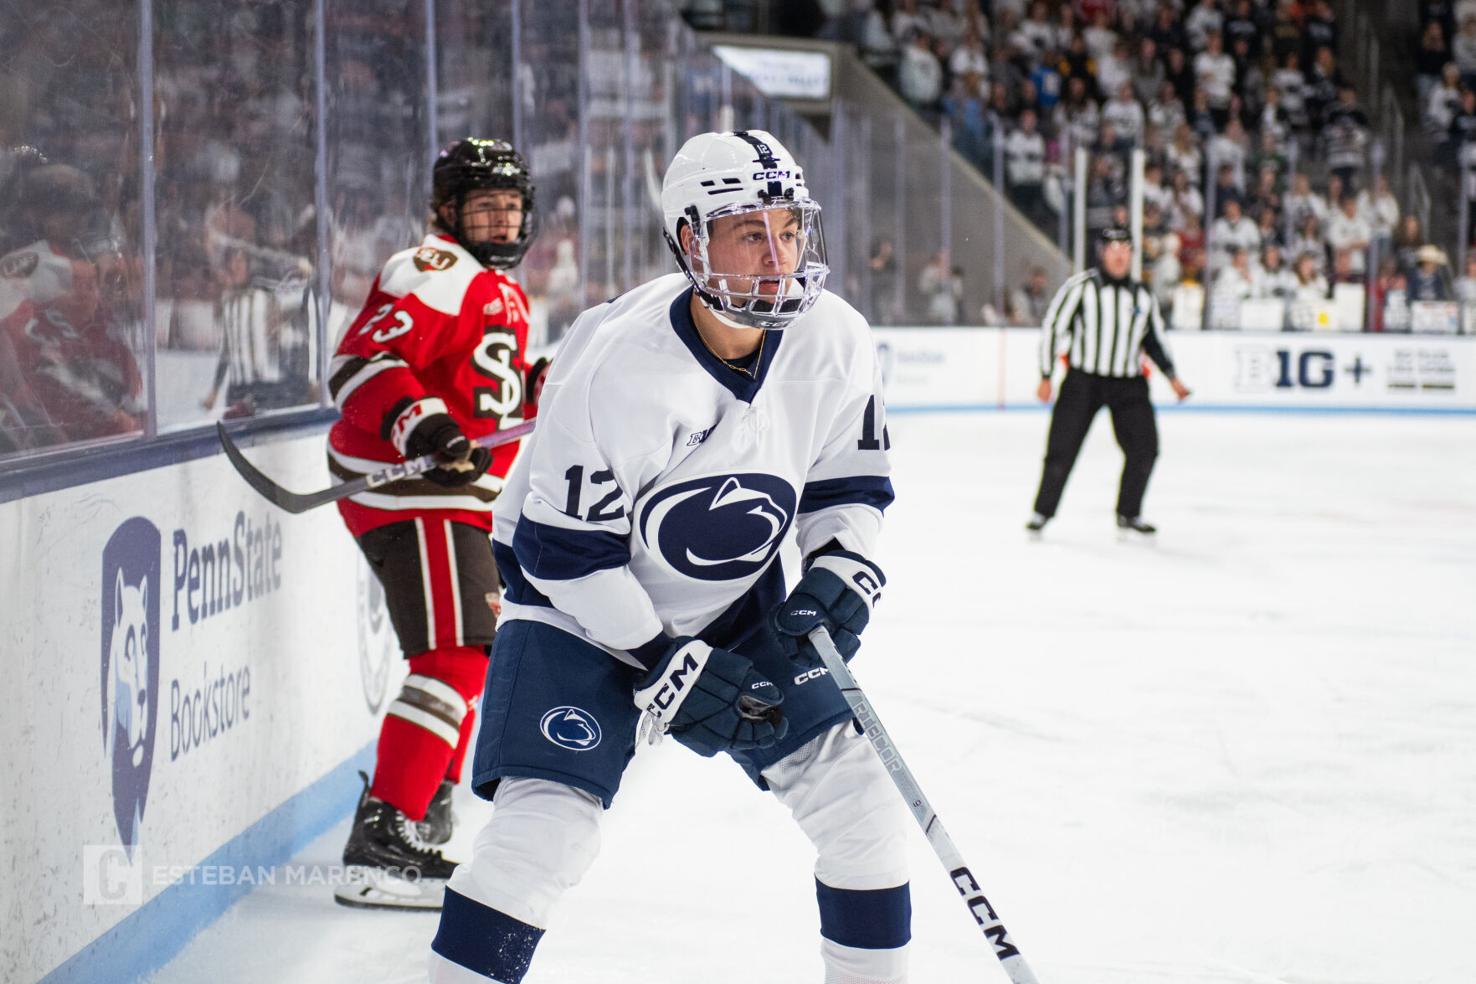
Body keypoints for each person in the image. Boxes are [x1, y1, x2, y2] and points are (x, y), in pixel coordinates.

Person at [427, 129, 910, 983]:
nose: (779, 258)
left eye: (789, 230)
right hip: (578, 613)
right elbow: (564, 553)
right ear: (692, 240)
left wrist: (842, 565)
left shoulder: (834, 337)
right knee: (544, 837)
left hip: (736, 601)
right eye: (750, 234)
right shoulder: (616, 364)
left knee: (862, 804)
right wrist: (659, 660)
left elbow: (847, 484)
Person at [327, 137, 547, 910]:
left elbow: (489, 394)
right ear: (446, 211)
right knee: (453, 658)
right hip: (413, 492)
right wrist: (423, 426)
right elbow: (360, 364)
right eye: (485, 206)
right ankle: (381, 846)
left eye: (511, 206)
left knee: (471, 658)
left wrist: (543, 384)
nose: (501, 220)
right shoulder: (434, 268)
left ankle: (420, 818)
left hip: (455, 499)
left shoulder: (499, 288)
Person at [1027, 227, 1191, 538]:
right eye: (1113, 248)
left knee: (1145, 448)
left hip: (1128, 383)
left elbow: (1154, 340)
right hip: (1083, 380)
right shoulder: (1081, 288)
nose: (1119, 255)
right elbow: (1054, 328)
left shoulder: (1142, 295)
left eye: (1125, 248)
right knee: (1061, 448)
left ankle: (1129, 512)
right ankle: (1042, 512)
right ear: (1102, 253)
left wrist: (1173, 377)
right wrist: (1046, 375)